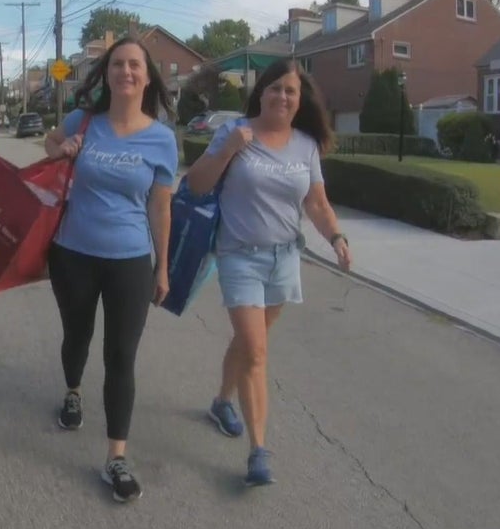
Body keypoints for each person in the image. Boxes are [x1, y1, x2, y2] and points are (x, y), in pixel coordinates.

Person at [184, 58, 352, 487]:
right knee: (256, 351)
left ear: (300, 99)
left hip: (284, 259)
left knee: (248, 343)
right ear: (261, 92)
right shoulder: (234, 132)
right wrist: (227, 150)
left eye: (290, 90)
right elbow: (197, 185)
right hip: (239, 256)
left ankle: (222, 401)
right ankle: (258, 451)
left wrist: (336, 236)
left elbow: (317, 203)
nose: (282, 96)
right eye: (274, 88)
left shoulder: (305, 145)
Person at [42, 37, 178, 503]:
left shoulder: (161, 139)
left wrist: (162, 267)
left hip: (131, 259)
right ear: (106, 74)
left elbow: (161, 207)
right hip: (72, 252)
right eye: (117, 64)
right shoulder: (84, 121)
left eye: (134, 64)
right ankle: (73, 391)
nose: (126, 71)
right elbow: (51, 141)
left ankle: (116, 457)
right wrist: (62, 148)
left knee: (121, 355)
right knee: (76, 337)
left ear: (148, 76)